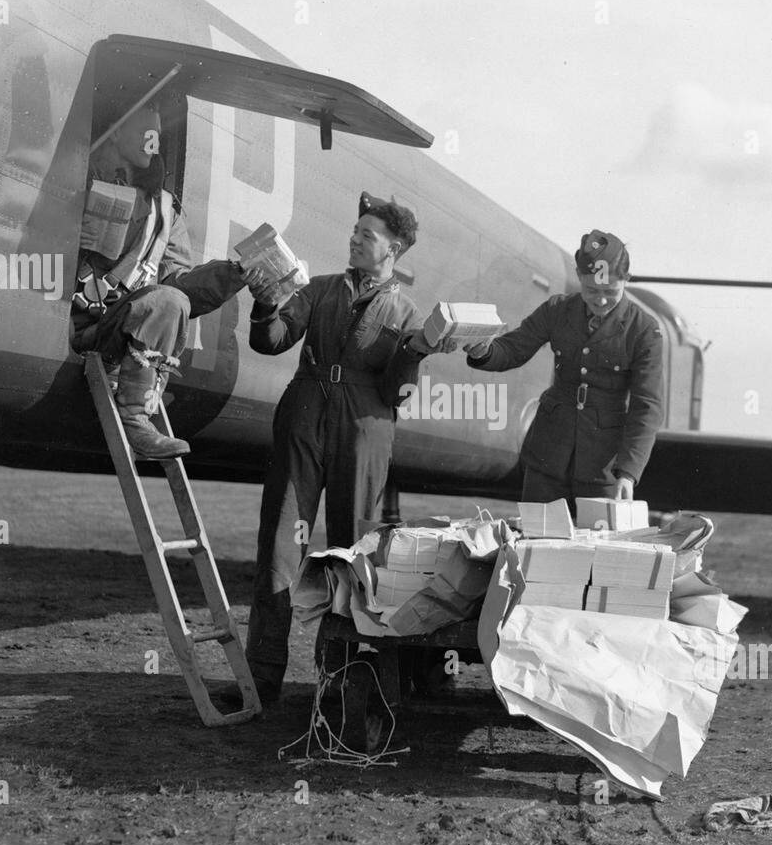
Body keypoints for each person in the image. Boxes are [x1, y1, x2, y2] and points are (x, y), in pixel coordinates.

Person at [244, 193, 454, 703]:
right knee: (278, 545)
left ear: (394, 249)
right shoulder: (316, 290)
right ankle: (260, 683)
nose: (355, 239)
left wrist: (416, 352)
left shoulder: (408, 315)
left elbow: (395, 393)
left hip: (365, 428)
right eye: (355, 230)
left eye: (368, 235)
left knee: (353, 553)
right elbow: (269, 342)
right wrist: (267, 302)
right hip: (304, 417)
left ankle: (338, 681)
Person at [71, 95, 255, 458]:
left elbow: (174, 287)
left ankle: (136, 419)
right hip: (64, 320)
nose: (153, 137)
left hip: (114, 331)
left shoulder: (164, 210)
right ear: (116, 128)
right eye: (145, 127)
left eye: (156, 132)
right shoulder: (73, 174)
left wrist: (233, 274)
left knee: (171, 300)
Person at [465, 229, 665, 509]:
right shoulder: (557, 310)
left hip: (603, 468)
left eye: (611, 291)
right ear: (579, 278)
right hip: (547, 460)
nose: (601, 300)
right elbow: (513, 349)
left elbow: (647, 407)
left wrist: (628, 473)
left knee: (598, 549)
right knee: (538, 545)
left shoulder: (645, 330)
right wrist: (484, 350)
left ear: (626, 280)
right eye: (591, 290)